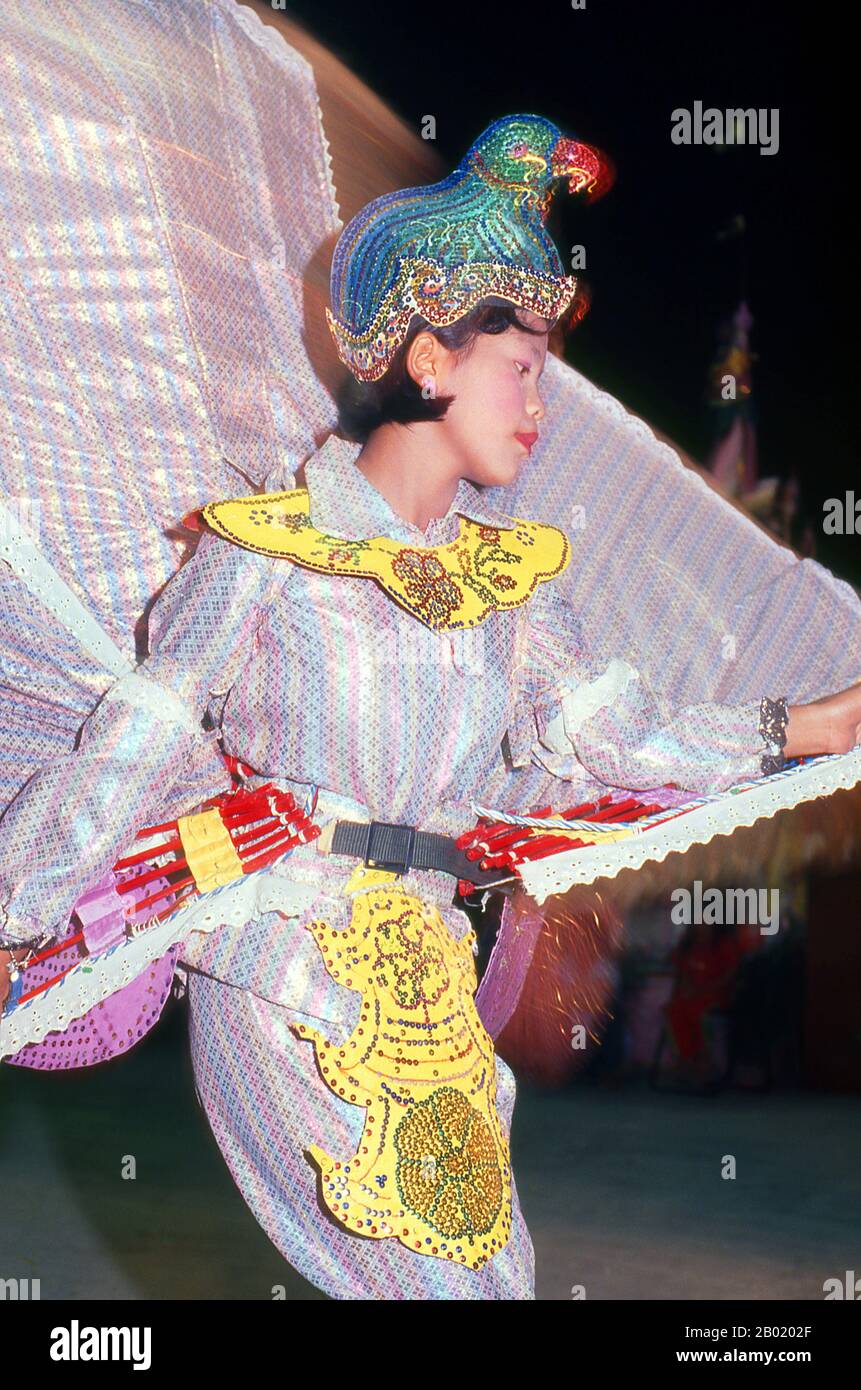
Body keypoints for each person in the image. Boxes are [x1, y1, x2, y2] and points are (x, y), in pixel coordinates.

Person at [2, 108, 861, 1302]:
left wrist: (812, 726)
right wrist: (27, 903)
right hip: (283, 967)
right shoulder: (268, 549)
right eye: (521, 370)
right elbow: (146, 728)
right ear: (428, 360)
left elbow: (617, 733)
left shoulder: (507, 586)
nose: (538, 409)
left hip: (431, 981)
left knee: (491, 1285)